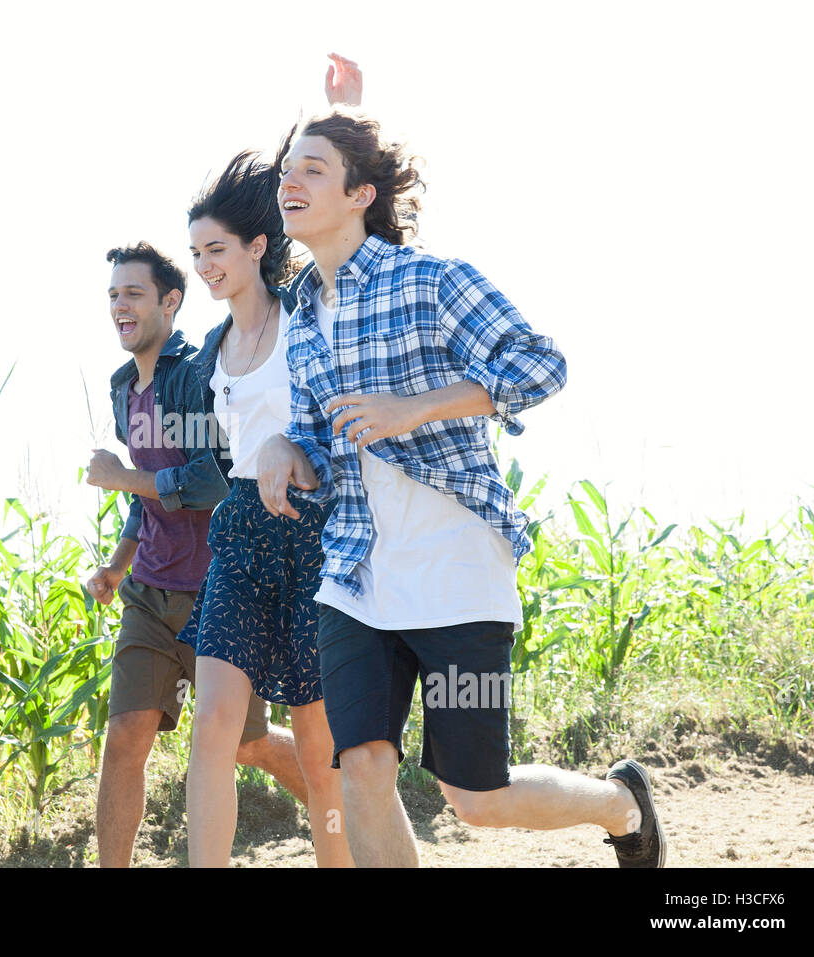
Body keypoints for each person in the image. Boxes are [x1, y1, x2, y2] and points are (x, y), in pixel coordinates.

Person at [257, 110, 665, 868]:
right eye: (288, 168)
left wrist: (418, 407)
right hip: (356, 573)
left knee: (477, 798)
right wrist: (285, 447)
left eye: (312, 168)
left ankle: (621, 804)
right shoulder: (301, 315)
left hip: (459, 569)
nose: (291, 180)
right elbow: (323, 434)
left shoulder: (433, 280)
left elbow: (539, 364)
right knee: (363, 769)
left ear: (361, 194)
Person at [85, 244, 308, 867]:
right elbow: (150, 489)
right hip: (149, 594)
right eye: (112, 295)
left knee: (247, 745)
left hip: (219, 592)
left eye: (133, 294)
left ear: (169, 301)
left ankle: (334, 796)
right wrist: (118, 562)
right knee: (125, 736)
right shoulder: (124, 386)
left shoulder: (196, 374)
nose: (119, 306)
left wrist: (122, 476)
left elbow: (211, 479)